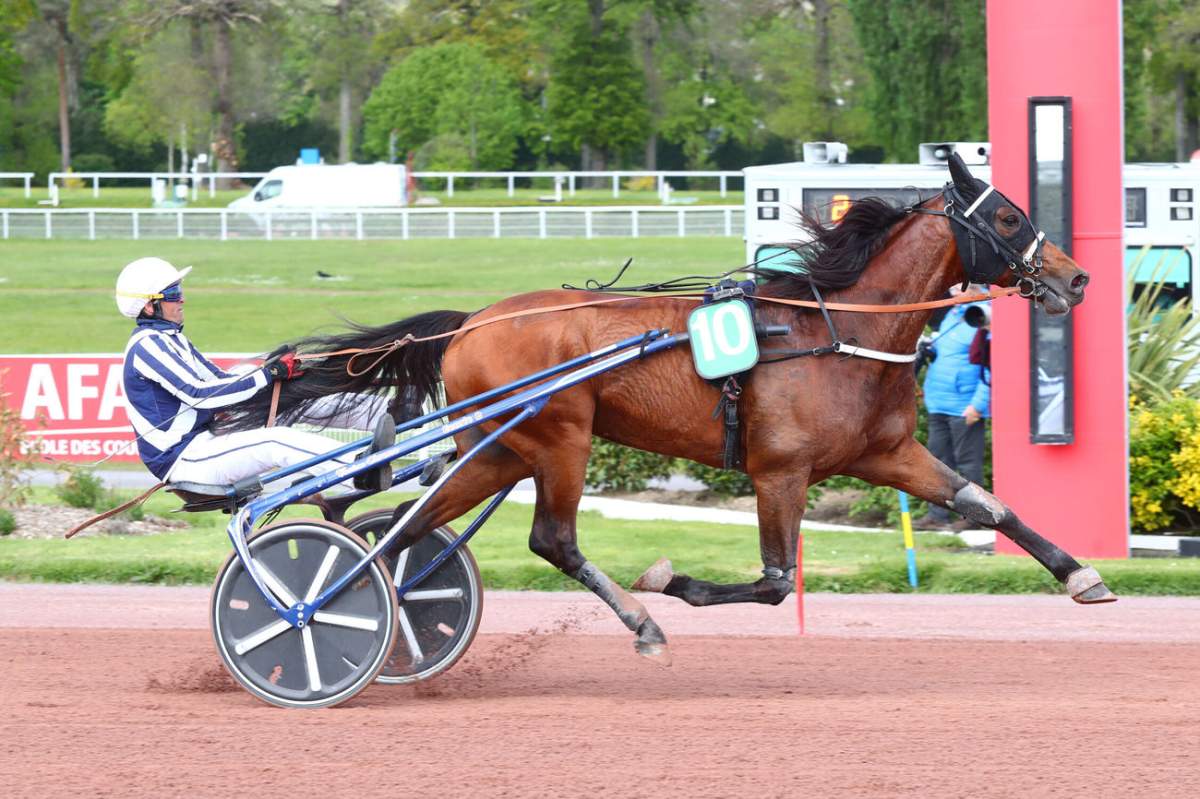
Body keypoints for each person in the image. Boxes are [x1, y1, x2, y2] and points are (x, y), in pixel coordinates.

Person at [115, 257, 391, 491]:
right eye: (173, 293)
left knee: (287, 400)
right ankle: (358, 469)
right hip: (184, 458)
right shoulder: (147, 346)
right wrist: (267, 374)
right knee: (275, 440)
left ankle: (388, 412)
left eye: (179, 290)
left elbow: (220, 381)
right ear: (150, 306)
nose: (182, 298)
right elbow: (200, 396)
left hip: (206, 440)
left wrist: (269, 372)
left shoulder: (171, 339)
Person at [921, 284, 990, 530]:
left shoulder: (982, 318)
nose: (951, 293)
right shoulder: (953, 313)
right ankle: (937, 515)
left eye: (957, 289)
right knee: (938, 461)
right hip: (938, 402)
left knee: (968, 464)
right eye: (950, 289)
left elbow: (990, 367)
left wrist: (978, 405)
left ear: (975, 290)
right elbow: (947, 352)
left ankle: (974, 518)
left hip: (965, 406)